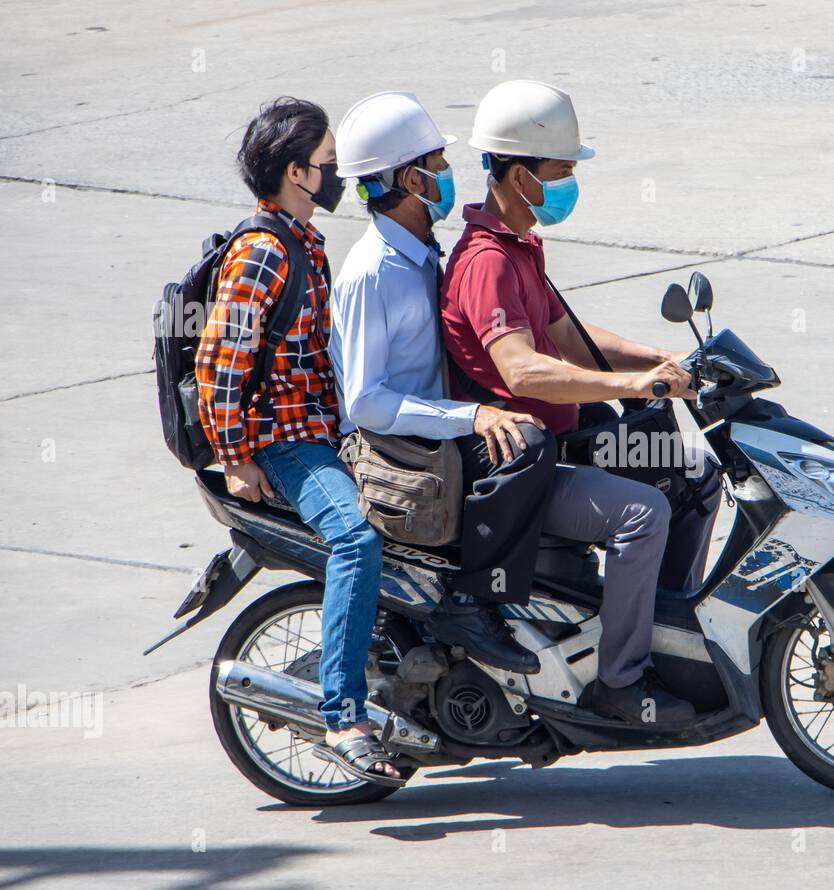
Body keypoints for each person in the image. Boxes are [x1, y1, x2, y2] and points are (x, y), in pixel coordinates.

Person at [441, 80, 721, 726]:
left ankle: (665, 632)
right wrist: (633, 386)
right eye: (560, 171)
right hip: (515, 468)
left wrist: (659, 361)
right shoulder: (486, 263)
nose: (569, 182)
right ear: (517, 175)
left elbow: (572, 338)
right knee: (642, 514)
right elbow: (525, 370)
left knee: (695, 475)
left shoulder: (520, 247)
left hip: (556, 446)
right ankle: (621, 681)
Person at [194, 97, 401, 785]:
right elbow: (219, 364)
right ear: (295, 172)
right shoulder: (261, 252)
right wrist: (235, 459)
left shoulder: (304, 242)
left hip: (323, 432)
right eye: (329, 165)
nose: (339, 176)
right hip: (284, 445)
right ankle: (344, 717)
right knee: (355, 539)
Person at [329, 91, 554, 675]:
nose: (448, 175)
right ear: (409, 179)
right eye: (437, 165)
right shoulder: (372, 273)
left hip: (433, 421)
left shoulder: (423, 250)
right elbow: (367, 401)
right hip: (393, 442)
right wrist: (473, 417)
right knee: (527, 446)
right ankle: (471, 604)